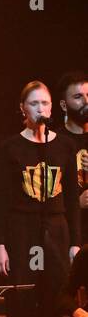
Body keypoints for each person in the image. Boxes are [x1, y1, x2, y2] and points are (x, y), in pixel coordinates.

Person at [0, 82, 81, 317]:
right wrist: (0, 243)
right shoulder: (11, 147)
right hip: (23, 228)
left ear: (52, 108)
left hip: (56, 226)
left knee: (57, 286)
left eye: (44, 103)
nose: (40, 109)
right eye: (34, 103)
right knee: (28, 288)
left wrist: (75, 242)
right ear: (23, 108)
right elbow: (1, 198)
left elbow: (72, 198)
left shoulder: (65, 146)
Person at [53, 71, 88, 237]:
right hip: (70, 234)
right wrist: (75, 203)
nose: (86, 102)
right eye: (78, 97)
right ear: (64, 105)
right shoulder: (55, 141)